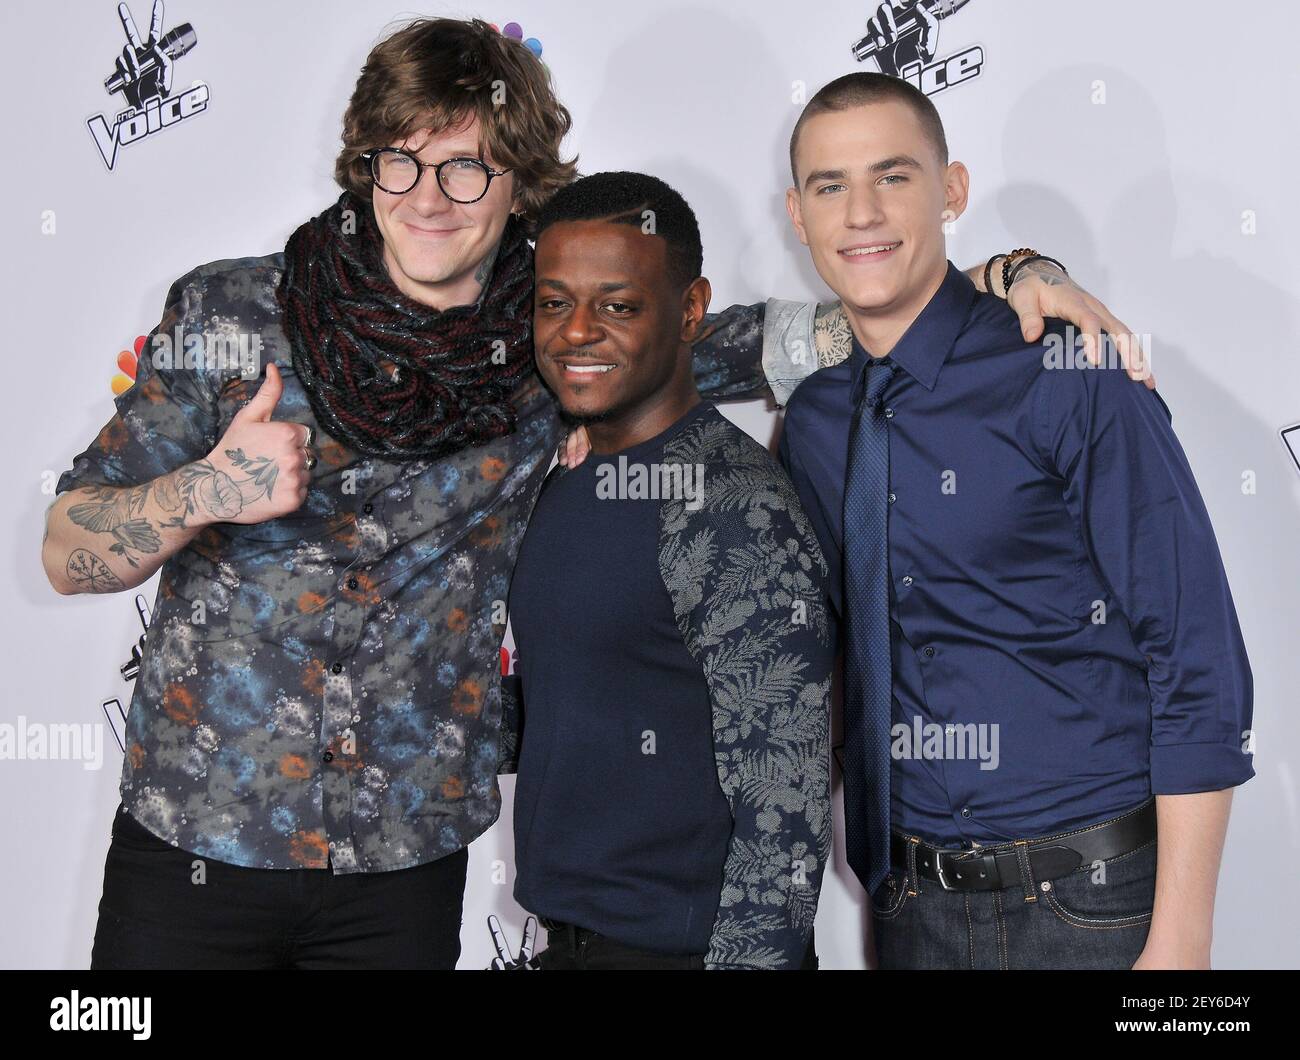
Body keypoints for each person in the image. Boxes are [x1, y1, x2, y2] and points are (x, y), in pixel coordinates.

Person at [41, 16, 1136, 969]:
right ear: (361, 166)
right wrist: (196, 490)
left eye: (466, 167)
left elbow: (834, 321)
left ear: (517, 183)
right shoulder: (232, 311)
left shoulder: (549, 339)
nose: (429, 197)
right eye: (399, 162)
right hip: (190, 844)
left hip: (401, 871)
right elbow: (64, 545)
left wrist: (1009, 275)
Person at [772, 72, 1253, 969]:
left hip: (1094, 907)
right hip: (909, 907)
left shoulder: (1072, 374)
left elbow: (1197, 658)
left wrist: (1184, 938)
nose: (862, 213)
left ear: (952, 190)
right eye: (830, 186)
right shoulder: (815, 420)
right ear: (798, 216)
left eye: (894, 177)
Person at [500, 172, 832, 970]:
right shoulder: (564, 474)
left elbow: (785, 795)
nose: (577, 332)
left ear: (690, 311)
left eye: (617, 305)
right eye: (554, 303)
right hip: (569, 944)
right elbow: (586, 698)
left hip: (688, 955)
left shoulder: (731, 503)